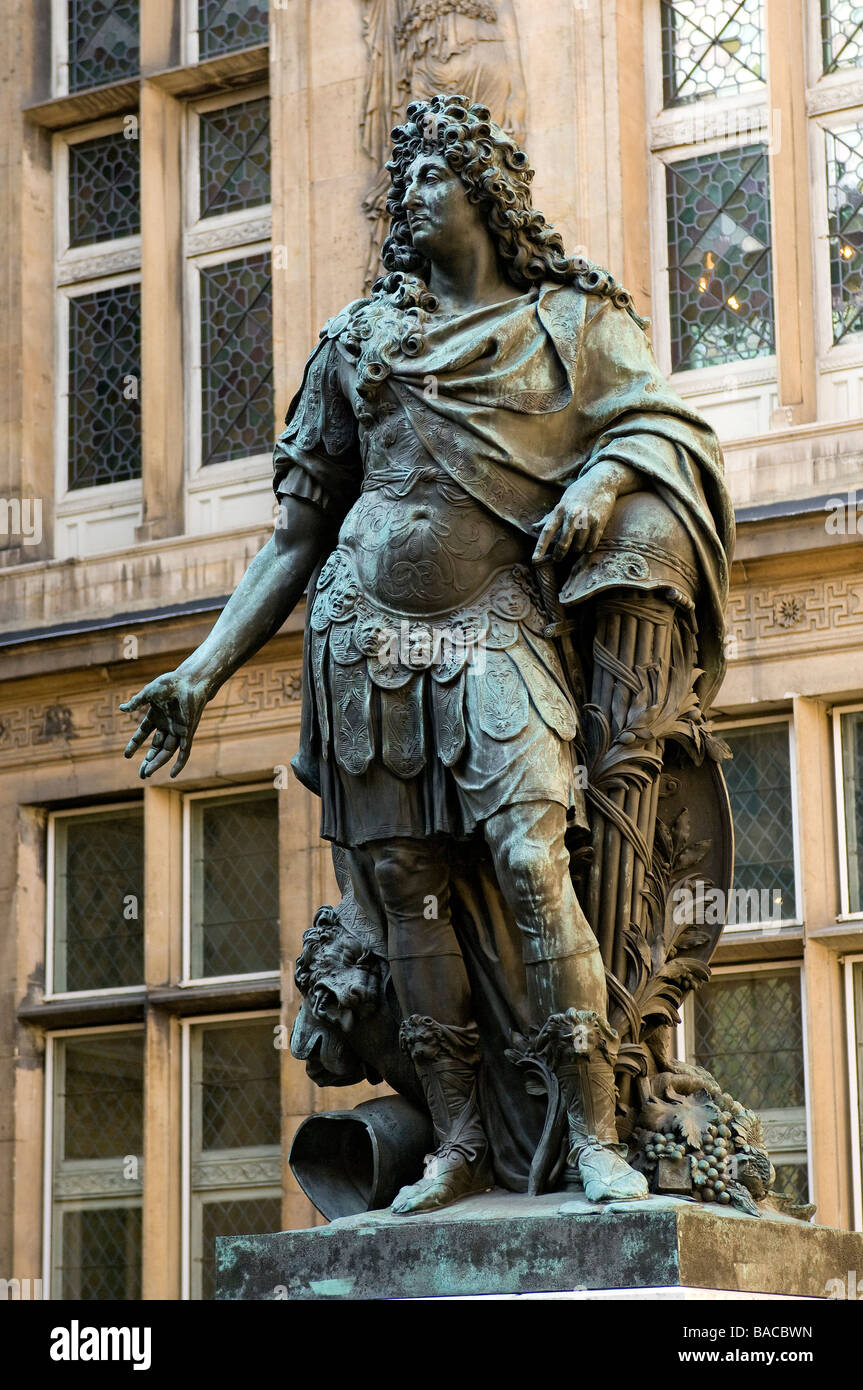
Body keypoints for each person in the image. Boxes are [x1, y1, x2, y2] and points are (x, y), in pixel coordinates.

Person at [121, 94, 733, 1215]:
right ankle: (454, 1141)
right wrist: (200, 672)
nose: (408, 197)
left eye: (431, 177)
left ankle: (593, 1137)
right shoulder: (358, 341)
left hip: (493, 624)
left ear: (486, 196)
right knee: (406, 892)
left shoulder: (572, 323)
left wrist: (599, 479)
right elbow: (297, 533)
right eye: (399, 181)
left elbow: (661, 427)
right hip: (363, 641)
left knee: (529, 861)